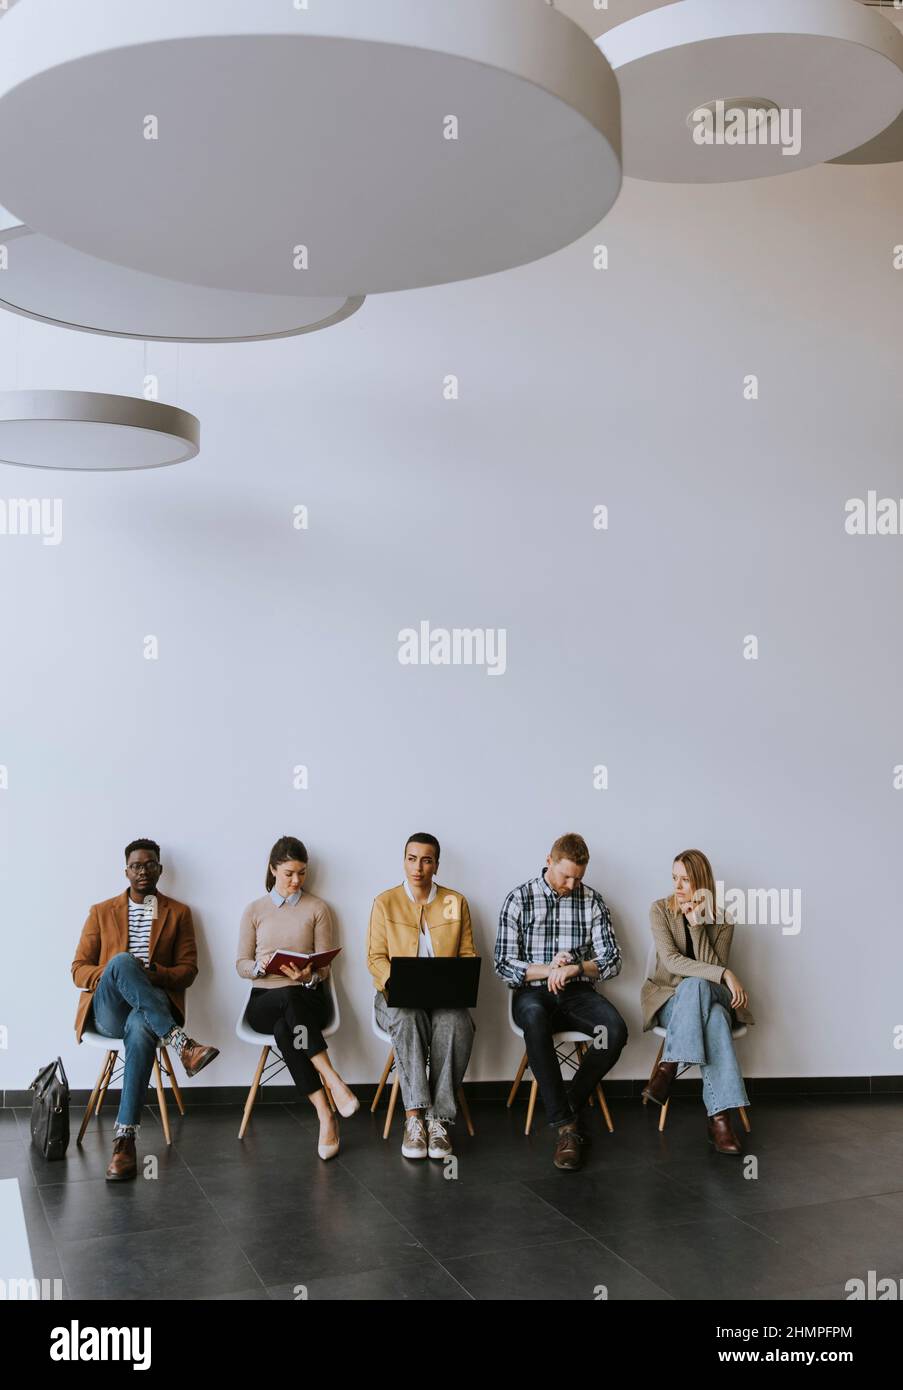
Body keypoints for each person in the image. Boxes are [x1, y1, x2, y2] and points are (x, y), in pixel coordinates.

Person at [71, 838, 220, 1182]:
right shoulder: (101, 911)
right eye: (136, 866)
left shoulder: (179, 913)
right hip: (109, 1010)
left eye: (150, 864)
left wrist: (153, 973)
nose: (143, 871)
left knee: (140, 1030)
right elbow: (78, 968)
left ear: (160, 869)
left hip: (148, 1012)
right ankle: (182, 1044)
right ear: (126, 871)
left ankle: (125, 1141)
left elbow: (188, 971)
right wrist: (117, 971)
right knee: (122, 961)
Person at [495, 833, 627, 1171]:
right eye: (565, 875)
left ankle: (568, 1103)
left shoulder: (593, 901)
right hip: (533, 993)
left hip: (578, 991)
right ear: (549, 861)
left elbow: (612, 960)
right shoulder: (519, 899)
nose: (571, 883)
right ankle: (567, 1127)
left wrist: (574, 969)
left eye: (578, 877)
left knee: (613, 1031)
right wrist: (547, 970)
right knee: (535, 1020)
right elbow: (503, 964)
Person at [237, 835, 358, 1160]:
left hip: (307, 999)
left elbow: (325, 966)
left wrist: (309, 977)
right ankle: (333, 1080)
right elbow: (240, 965)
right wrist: (259, 967)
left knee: (285, 1025)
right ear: (273, 869)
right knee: (283, 1009)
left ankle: (324, 1114)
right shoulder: (254, 910)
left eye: (302, 873)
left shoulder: (318, 908)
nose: (296, 880)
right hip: (263, 1000)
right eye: (289, 873)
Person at [367, 833, 477, 1161]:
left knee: (457, 1021)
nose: (418, 867)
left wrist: (456, 985)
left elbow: (468, 956)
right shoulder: (384, 902)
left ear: (436, 865)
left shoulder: (455, 902)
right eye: (412, 858)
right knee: (407, 1015)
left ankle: (439, 1119)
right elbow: (375, 959)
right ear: (404, 861)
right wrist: (399, 985)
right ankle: (414, 1118)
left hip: (444, 999)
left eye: (426, 860)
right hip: (396, 999)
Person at [641, 848, 754, 1154]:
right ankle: (720, 1121)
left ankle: (668, 1068)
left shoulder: (723, 920)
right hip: (671, 999)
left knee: (698, 986)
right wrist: (727, 973)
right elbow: (673, 962)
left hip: (708, 992)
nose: (677, 887)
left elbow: (708, 974)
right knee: (714, 1016)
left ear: (701, 883)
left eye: (685, 880)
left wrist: (697, 925)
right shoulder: (660, 910)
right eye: (674, 878)